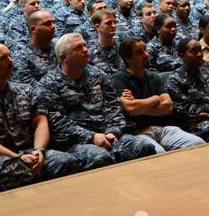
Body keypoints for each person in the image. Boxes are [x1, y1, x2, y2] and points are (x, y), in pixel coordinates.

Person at [0, 43, 83, 192]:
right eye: (2, 58)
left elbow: (41, 122)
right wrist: (16, 157)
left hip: (29, 152)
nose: (10, 61)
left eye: (9, 56)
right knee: (18, 171)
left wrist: (39, 150)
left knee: (65, 161)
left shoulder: (26, 90)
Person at [36, 33, 158, 163]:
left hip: (109, 134)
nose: (85, 49)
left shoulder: (99, 75)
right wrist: (92, 137)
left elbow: (114, 107)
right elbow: (59, 123)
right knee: (100, 157)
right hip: (75, 143)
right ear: (63, 57)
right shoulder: (49, 84)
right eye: (78, 48)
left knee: (143, 146)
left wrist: (113, 132)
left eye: (85, 45)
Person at [112, 38, 205, 152]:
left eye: (145, 50)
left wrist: (139, 106)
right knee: (158, 152)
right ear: (127, 58)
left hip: (162, 129)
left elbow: (167, 107)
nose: (146, 54)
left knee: (198, 143)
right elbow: (130, 108)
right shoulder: (119, 79)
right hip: (138, 133)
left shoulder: (154, 76)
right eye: (140, 53)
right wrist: (156, 99)